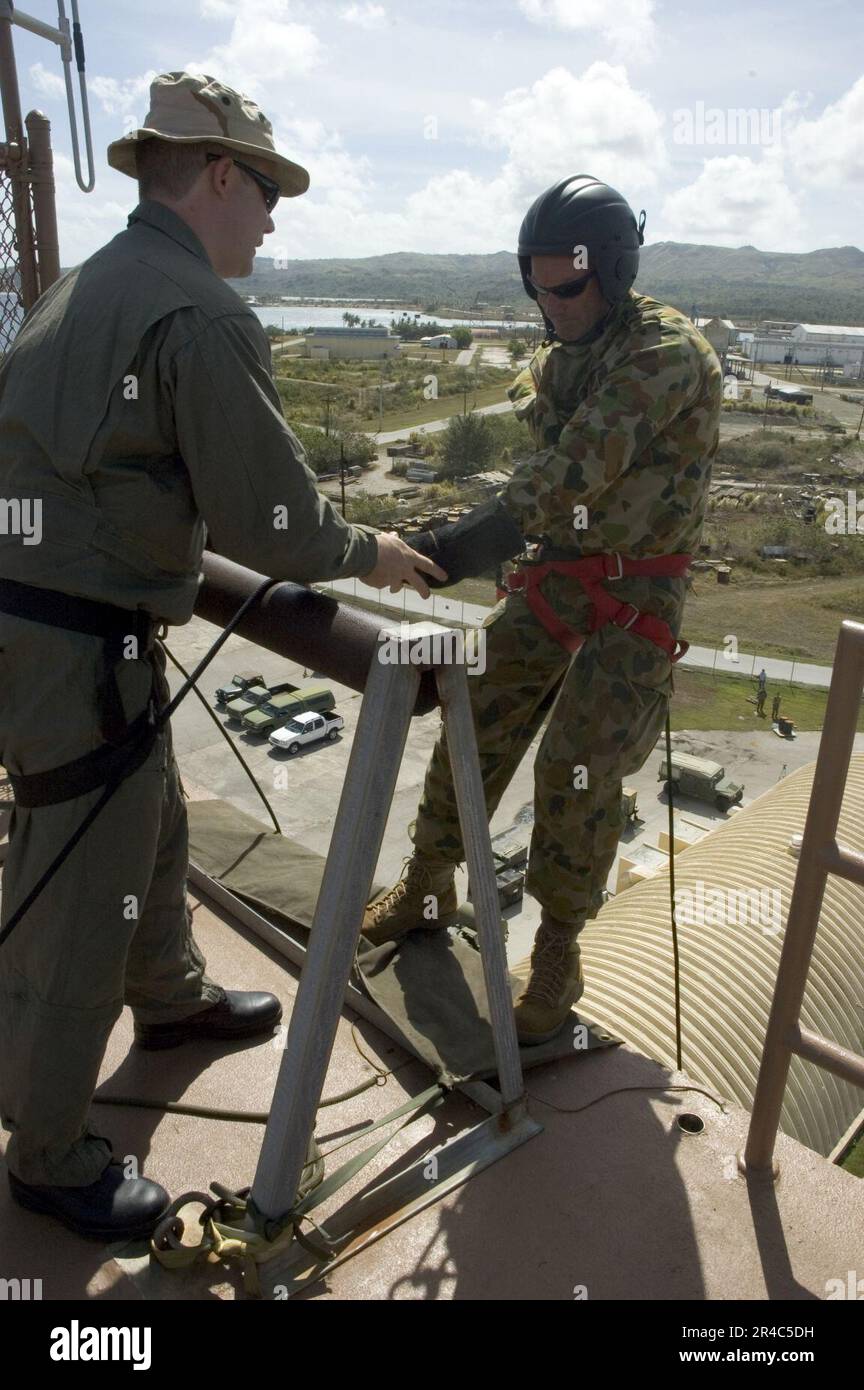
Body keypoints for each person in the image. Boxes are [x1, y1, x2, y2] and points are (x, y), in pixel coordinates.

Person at [0, 71, 443, 1241]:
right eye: (267, 191)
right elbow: (277, 527)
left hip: (45, 621)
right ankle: (46, 1149)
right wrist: (376, 549)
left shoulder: (84, 284)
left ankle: (173, 998)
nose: (274, 217)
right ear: (217, 176)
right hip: (73, 642)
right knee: (83, 885)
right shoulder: (197, 310)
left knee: (147, 820)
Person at [362, 174, 723, 1045]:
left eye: (566, 284)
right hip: (561, 574)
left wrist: (445, 554)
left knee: (578, 766)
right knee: (470, 710)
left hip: (636, 592)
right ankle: (428, 880)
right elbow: (544, 469)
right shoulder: (565, 352)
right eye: (536, 283)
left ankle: (559, 950)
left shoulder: (664, 353)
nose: (548, 302)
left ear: (616, 271)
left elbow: (569, 475)